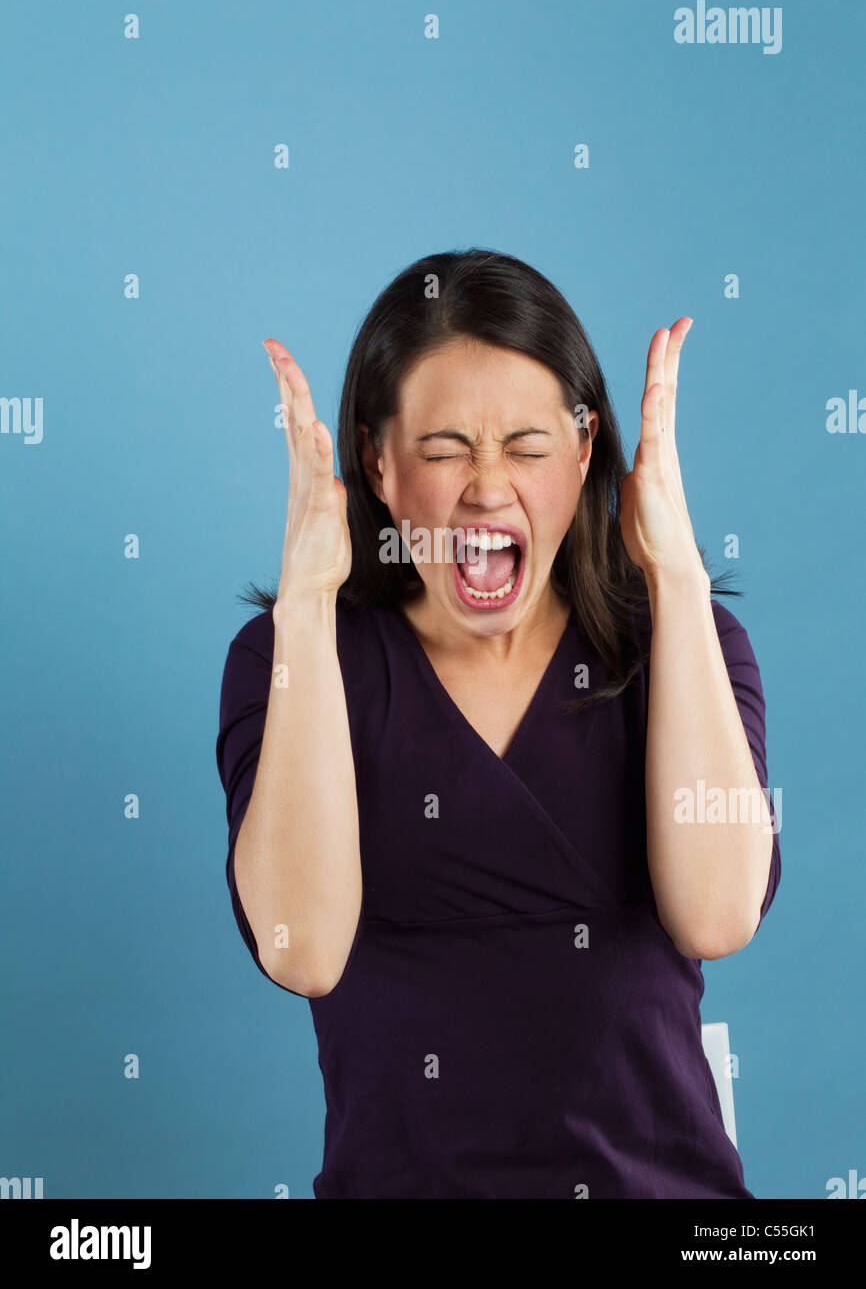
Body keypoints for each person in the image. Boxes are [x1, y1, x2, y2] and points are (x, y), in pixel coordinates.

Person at [216, 248, 781, 1199]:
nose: (485, 485)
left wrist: (676, 575)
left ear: (585, 451)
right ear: (378, 465)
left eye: (526, 447)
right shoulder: (293, 661)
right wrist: (308, 602)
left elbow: (719, 914)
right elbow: (300, 948)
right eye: (442, 451)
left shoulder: (685, 642)